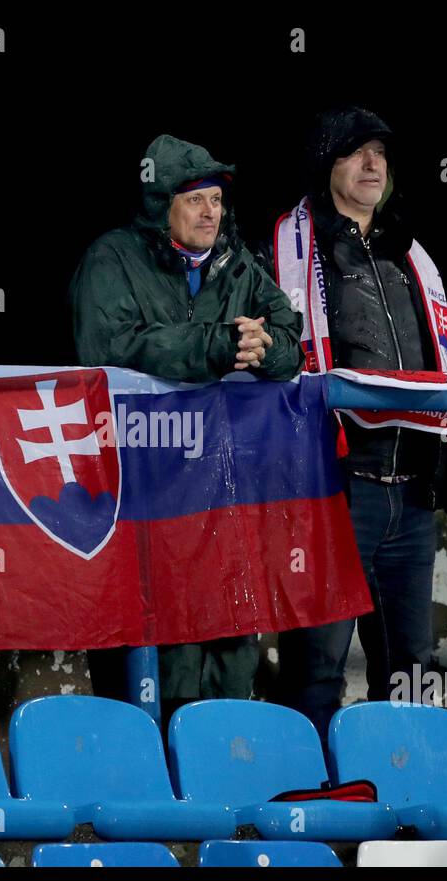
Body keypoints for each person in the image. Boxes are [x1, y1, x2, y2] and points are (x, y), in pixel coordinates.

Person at [71, 133, 302, 722]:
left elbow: (288, 340)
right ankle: (146, 798)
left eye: (217, 200)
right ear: (160, 204)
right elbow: (114, 346)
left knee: (230, 647)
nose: (210, 212)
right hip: (140, 492)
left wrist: (263, 347)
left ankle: (220, 793)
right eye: (195, 199)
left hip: (224, 492)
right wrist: (223, 344)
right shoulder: (112, 257)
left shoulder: (238, 262)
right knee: (155, 651)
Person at [257, 108, 447, 741]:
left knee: (410, 671)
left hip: (412, 492)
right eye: (356, 153)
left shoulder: (412, 256)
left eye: (380, 153)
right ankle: (308, 812)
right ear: (327, 168)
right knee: (316, 666)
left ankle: (400, 809)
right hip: (335, 489)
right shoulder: (292, 251)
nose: (374, 164)